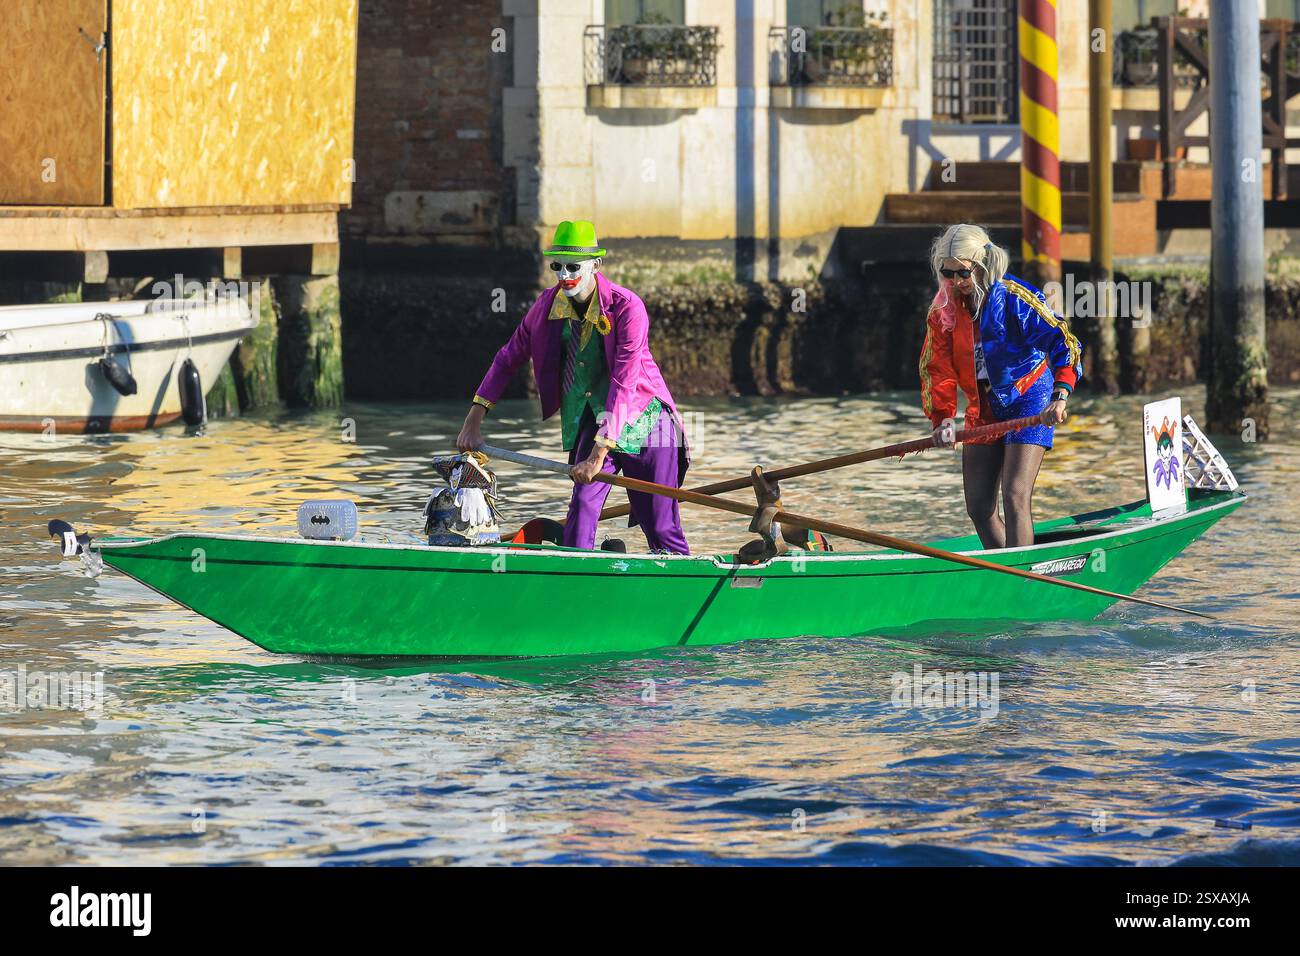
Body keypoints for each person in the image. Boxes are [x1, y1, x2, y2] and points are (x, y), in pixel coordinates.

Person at [456, 220, 690, 553]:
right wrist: (473, 419)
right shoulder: (545, 308)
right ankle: (577, 577)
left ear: (596, 265)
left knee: (660, 524)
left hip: (648, 421)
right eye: (557, 266)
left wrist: (599, 453)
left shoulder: (627, 307)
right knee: (582, 507)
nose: (564, 275)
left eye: (572, 266)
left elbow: (624, 381)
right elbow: (507, 358)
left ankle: (680, 582)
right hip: (593, 419)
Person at [919, 224, 1083, 549]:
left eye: (962, 274)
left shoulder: (1015, 299)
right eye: (946, 273)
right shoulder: (942, 312)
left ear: (981, 266)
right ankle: (1003, 574)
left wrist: (1060, 396)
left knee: (1014, 494)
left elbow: (1065, 342)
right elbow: (937, 369)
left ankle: (1021, 578)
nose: (954, 283)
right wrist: (943, 419)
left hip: (1030, 400)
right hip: (983, 406)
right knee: (978, 507)